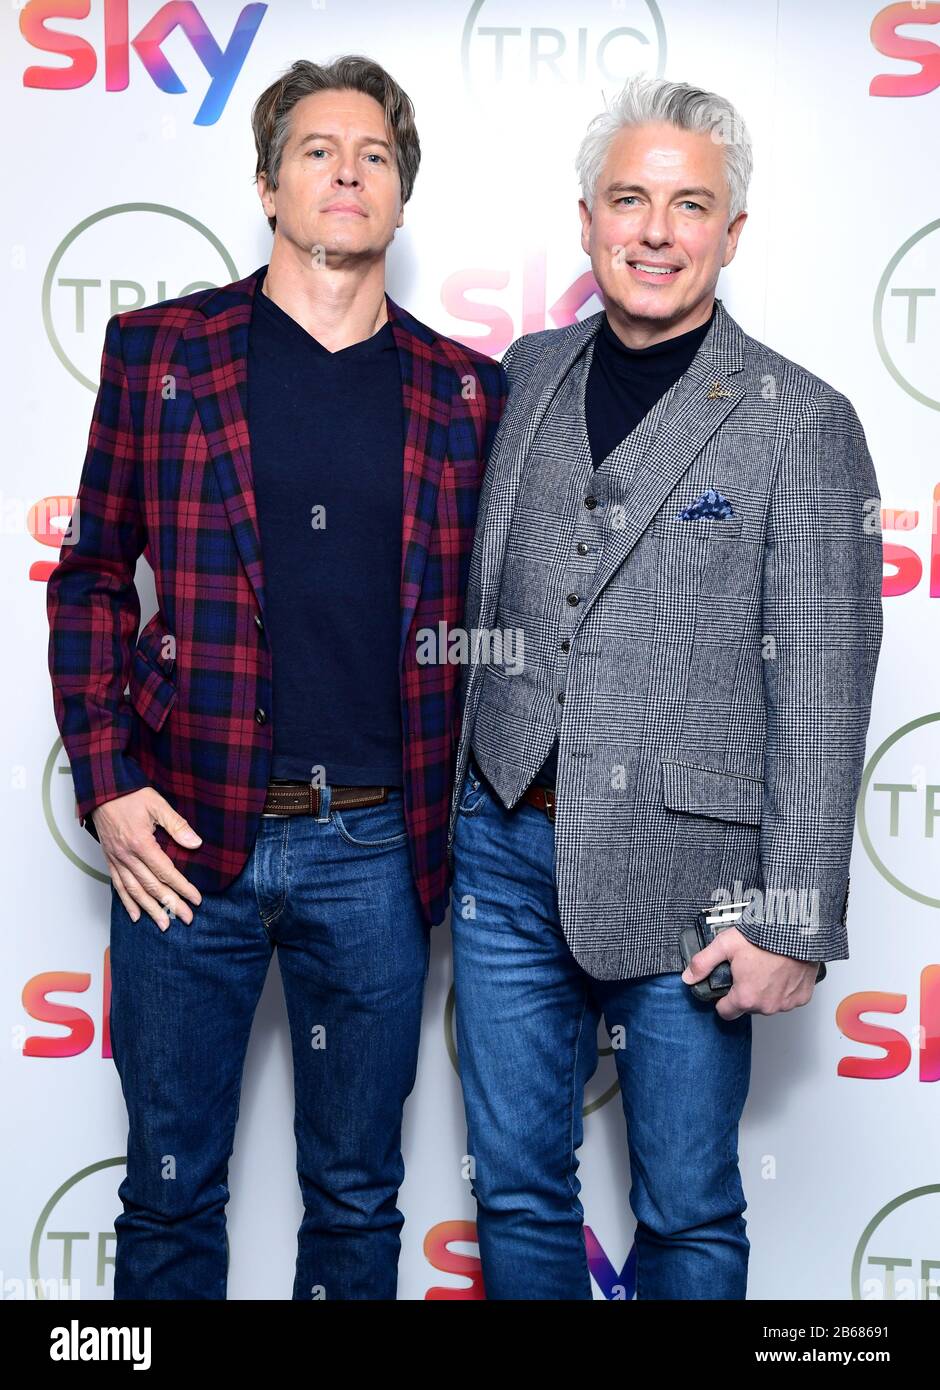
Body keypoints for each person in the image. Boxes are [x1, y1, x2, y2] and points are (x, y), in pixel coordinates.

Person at [46, 54, 505, 1301]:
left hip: (377, 847)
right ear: (266, 184)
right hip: (185, 840)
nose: (347, 169)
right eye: (316, 149)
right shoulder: (159, 352)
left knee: (358, 1200)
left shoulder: (469, 394)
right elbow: (91, 574)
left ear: (402, 200)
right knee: (171, 1187)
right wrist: (106, 782)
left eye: (375, 154)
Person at [448, 74, 883, 1300]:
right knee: (517, 1183)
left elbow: (823, 679)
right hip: (503, 852)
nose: (653, 229)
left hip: (699, 890)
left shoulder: (802, 420)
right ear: (585, 221)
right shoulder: (525, 373)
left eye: (688, 205)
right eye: (627, 199)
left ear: (730, 234)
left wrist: (793, 917)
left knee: (688, 1208)